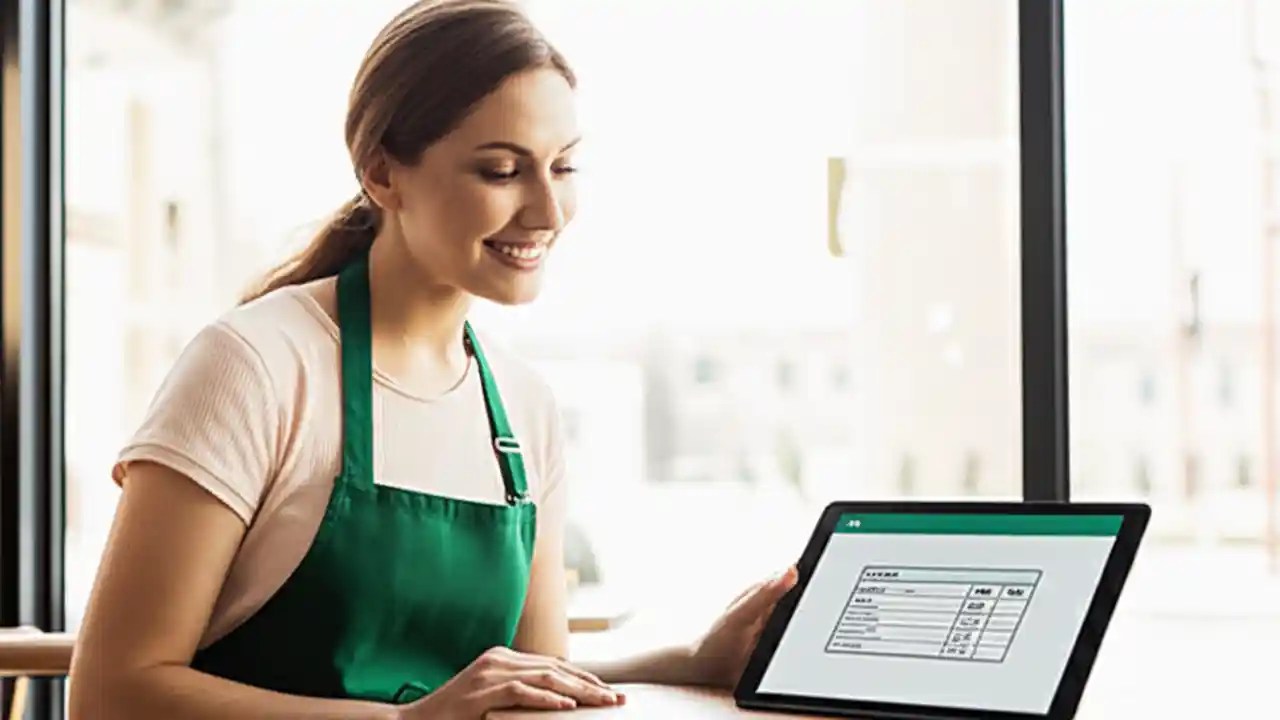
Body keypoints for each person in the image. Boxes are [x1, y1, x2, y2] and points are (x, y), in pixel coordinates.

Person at [67, 1, 798, 718]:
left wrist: (688, 660)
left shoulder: (522, 406)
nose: (548, 211)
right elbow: (111, 691)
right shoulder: (255, 366)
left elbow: (531, 677)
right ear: (383, 175)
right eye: (502, 171)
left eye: (564, 166)